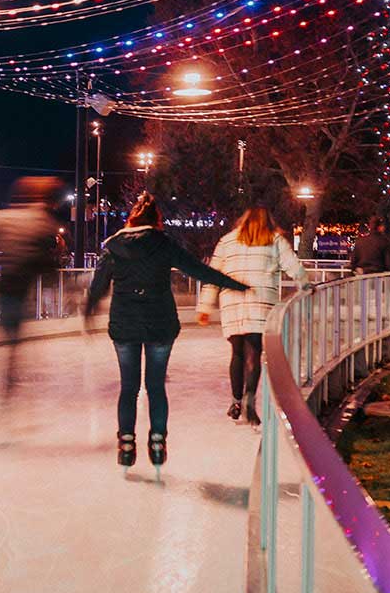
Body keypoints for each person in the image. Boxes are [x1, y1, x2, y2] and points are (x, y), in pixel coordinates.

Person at [84, 194, 247, 471]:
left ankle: (126, 443)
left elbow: (98, 286)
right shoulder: (164, 244)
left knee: (129, 387)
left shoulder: (112, 247)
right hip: (160, 324)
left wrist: (88, 313)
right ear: (156, 220)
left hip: (125, 324)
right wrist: (234, 284)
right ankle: (157, 443)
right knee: (156, 386)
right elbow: (199, 271)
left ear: (131, 220)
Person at [197, 206, 307, 425]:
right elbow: (293, 266)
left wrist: (205, 306)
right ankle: (250, 397)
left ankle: (236, 401)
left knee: (236, 352)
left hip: (232, 302)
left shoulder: (227, 241)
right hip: (262, 301)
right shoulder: (274, 240)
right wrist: (304, 284)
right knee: (253, 354)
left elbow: (213, 274)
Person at [0, 177, 62, 393]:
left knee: (10, 330)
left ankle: (6, 372)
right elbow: (44, 260)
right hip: (17, 287)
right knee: (13, 332)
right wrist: (53, 277)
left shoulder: (7, 217)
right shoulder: (40, 219)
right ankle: (8, 375)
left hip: (6, 286)